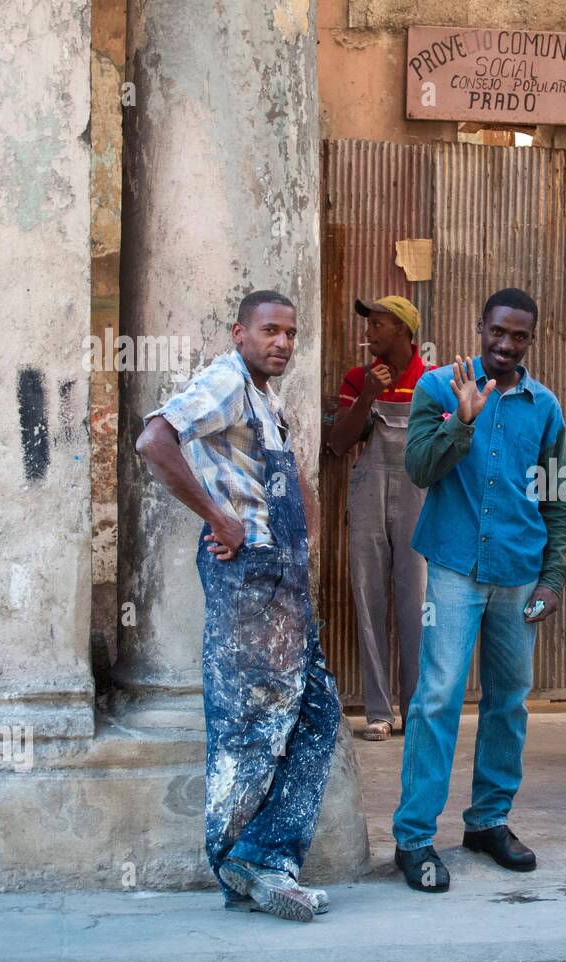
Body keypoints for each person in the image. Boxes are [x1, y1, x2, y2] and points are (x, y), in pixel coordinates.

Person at [136, 290, 338, 922]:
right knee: (249, 726)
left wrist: (307, 532)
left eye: (291, 333)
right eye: (270, 330)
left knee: (318, 714)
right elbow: (154, 440)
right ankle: (242, 864)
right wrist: (219, 519)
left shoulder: (264, 396)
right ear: (240, 333)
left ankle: (266, 858)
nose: (282, 342)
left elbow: (284, 480)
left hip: (282, 575)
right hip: (249, 575)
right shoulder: (225, 380)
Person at [391, 288, 566, 893]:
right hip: (451, 567)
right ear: (480, 327)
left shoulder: (544, 407)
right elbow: (419, 468)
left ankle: (488, 821)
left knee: (509, 700)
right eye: (497, 332)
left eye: (519, 336)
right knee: (438, 696)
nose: (505, 345)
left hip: (518, 571)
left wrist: (552, 577)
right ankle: (415, 836)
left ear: (531, 339)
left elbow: (558, 499)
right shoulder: (438, 389)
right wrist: (461, 421)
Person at [327, 296, 427, 741]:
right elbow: (338, 443)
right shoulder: (357, 379)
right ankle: (379, 713)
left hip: (418, 498)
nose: (368, 335)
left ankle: (417, 709)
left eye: (378, 327)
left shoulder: (431, 382)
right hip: (369, 493)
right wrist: (368, 394)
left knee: (416, 604)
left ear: (403, 332)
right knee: (368, 599)